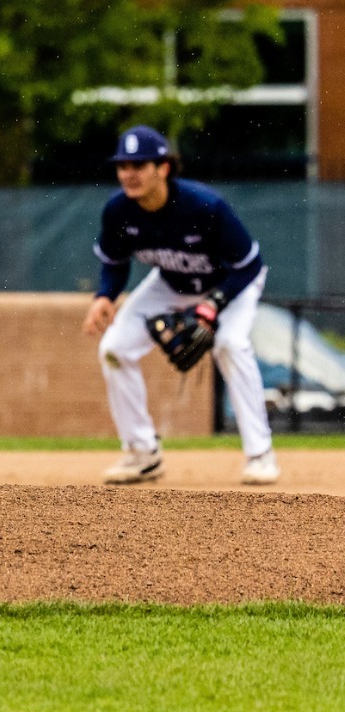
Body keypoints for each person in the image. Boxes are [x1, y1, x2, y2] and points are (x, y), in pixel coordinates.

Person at [81, 125, 276, 485]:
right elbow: (115, 262)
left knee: (230, 344)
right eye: (123, 165)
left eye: (139, 165)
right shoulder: (119, 211)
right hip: (171, 284)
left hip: (231, 285)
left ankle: (260, 454)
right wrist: (105, 295)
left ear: (163, 168)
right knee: (114, 348)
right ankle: (142, 452)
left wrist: (214, 304)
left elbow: (248, 265)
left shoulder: (204, 206)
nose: (129, 173)